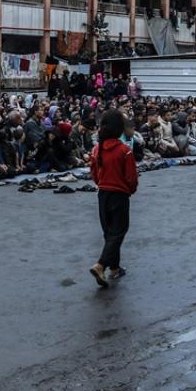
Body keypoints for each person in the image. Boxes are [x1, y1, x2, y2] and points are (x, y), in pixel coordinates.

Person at [88, 109, 137, 288]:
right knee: (118, 232)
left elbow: (94, 174)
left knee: (110, 233)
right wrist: (130, 190)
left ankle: (114, 268)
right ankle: (101, 265)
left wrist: (101, 183)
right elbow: (131, 177)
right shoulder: (125, 151)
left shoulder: (96, 149)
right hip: (119, 195)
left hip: (103, 194)